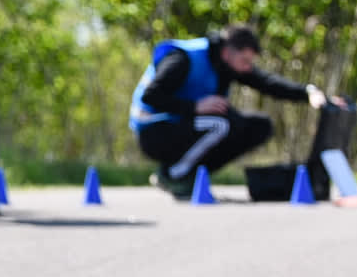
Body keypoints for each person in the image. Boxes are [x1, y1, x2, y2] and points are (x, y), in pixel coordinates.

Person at [129, 24, 344, 199]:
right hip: (154, 131)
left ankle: (192, 173)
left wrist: (309, 93)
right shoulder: (182, 60)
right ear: (227, 51)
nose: (248, 67)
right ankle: (173, 175)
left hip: (184, 126)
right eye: (246, 61)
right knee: (220, 123)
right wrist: (195, 107)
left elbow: (267, 83)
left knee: (257, 126)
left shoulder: (228, 65)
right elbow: (151, 96)